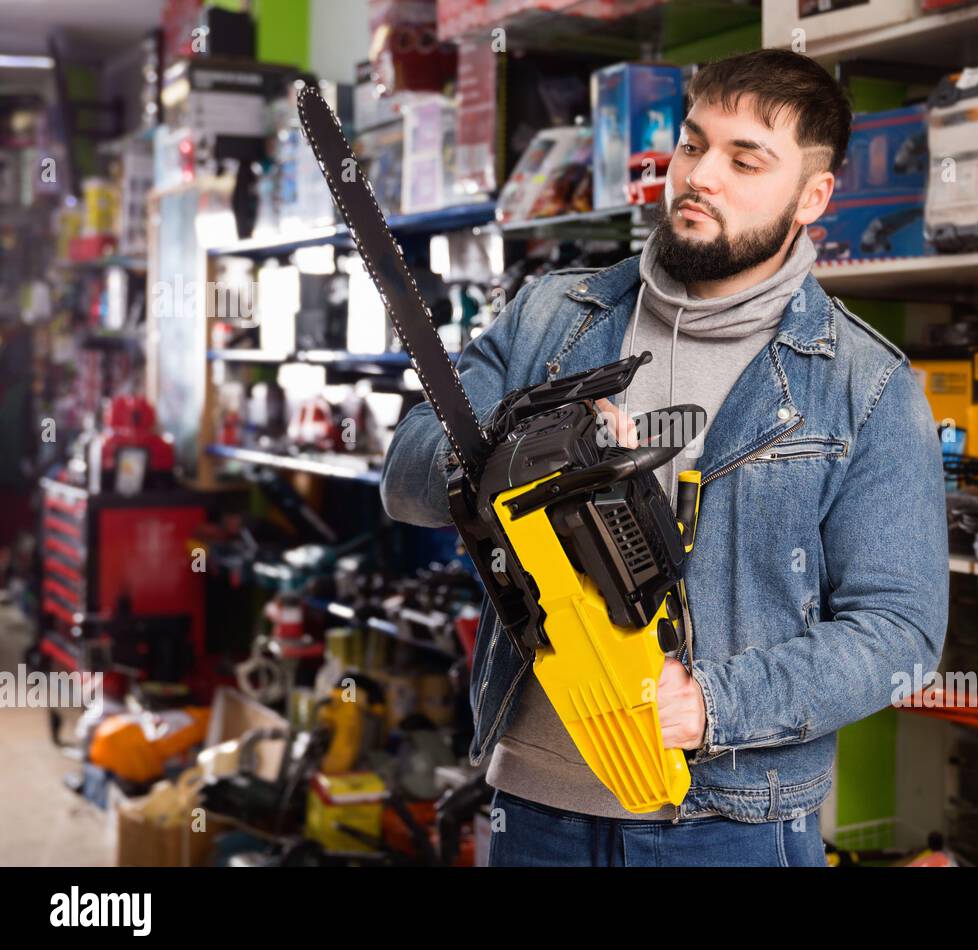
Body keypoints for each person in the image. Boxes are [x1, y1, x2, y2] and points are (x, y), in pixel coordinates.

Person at [381, 48, 948, 866]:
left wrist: (713, 704)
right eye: (693, 144)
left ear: (813, 197)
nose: (700, 175)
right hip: (535, 813)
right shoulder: (551, 317)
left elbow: (900, 635)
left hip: (732, 825)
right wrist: (516, 452)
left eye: (745, 159)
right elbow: (406, 472)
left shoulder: (865, 386)